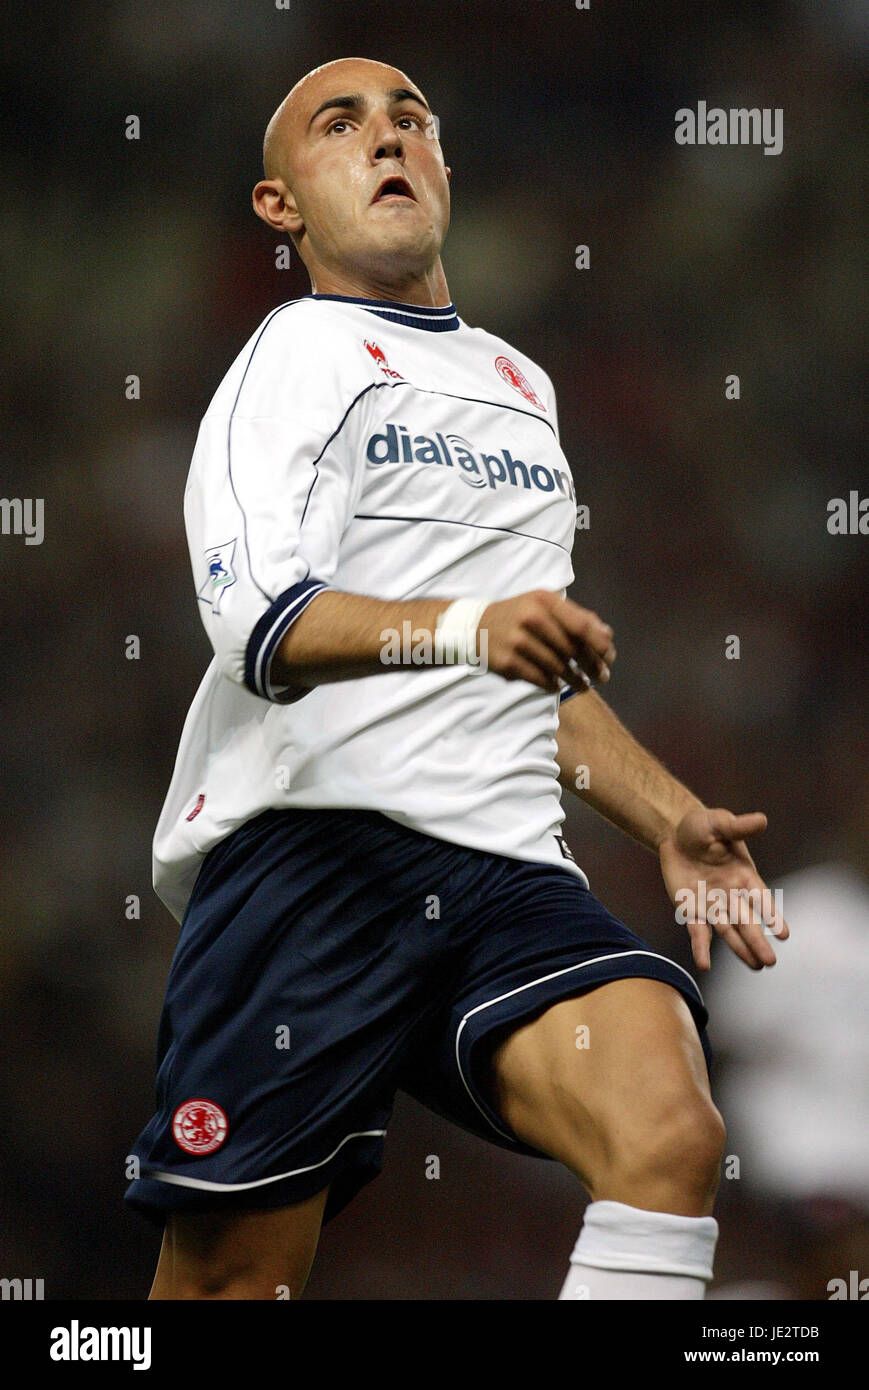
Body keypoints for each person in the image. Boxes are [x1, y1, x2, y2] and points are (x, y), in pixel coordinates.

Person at [125, 57, 788, 1301]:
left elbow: (525, 671)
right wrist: (465, 626)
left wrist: (667, 819)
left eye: (411, 120)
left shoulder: (521, 390)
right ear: (282, 205)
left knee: (669, 1131)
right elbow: (260, 627)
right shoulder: (295, 356)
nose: (387, 139)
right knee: (233, 1287)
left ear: (441, 169)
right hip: (312, 859)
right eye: (343, 124)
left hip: (501, 872)